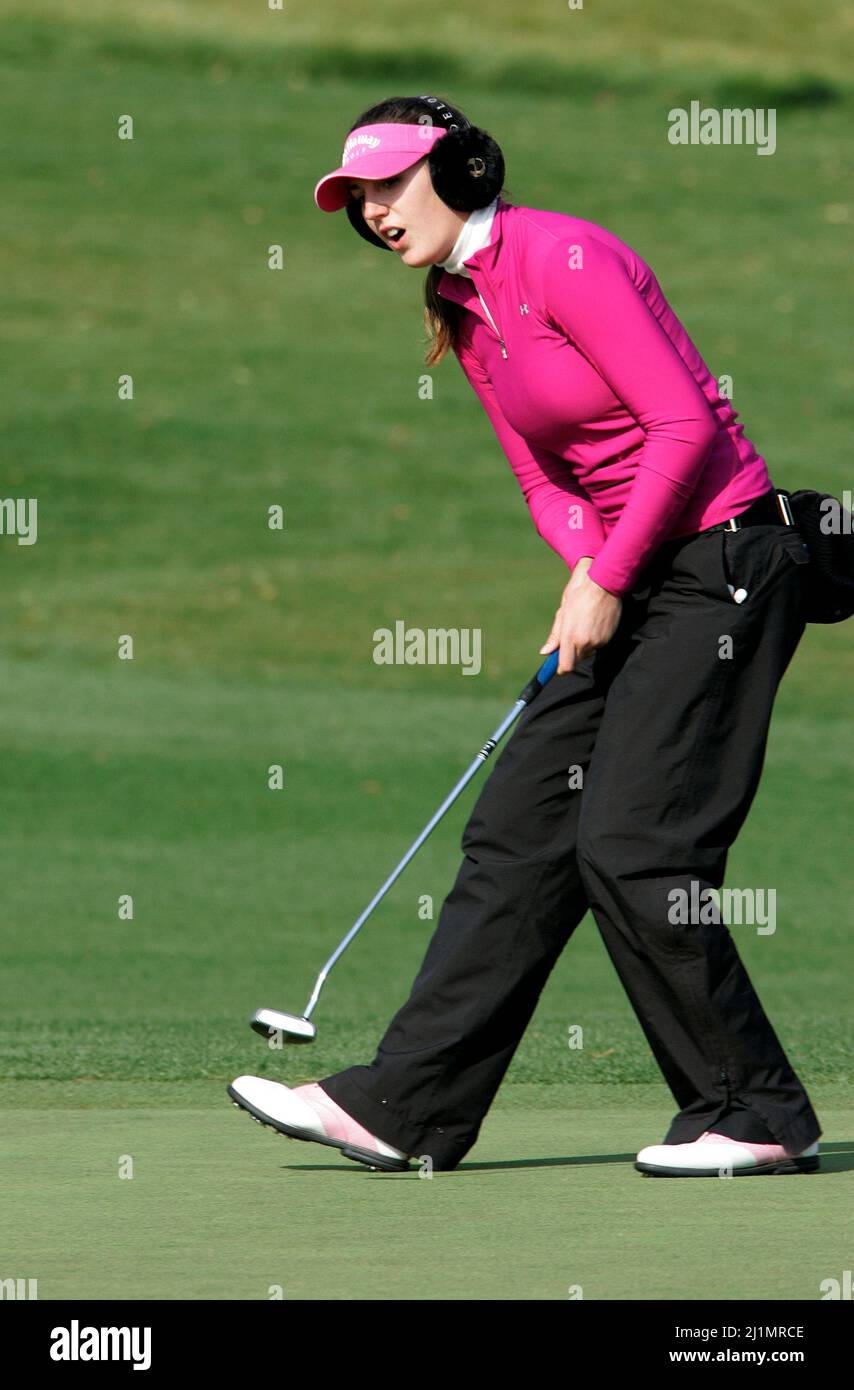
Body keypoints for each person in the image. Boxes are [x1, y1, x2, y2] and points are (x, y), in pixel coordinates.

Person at [228, 93, 821, 1178]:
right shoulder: (458, 301)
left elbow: (683, 425)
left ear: (461, 170)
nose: (371, 211)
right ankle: (405, 1107)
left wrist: (610, 572)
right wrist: (585, 571)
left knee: (635, 843)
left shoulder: (565, 257)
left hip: (724, 560)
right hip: (633, 570)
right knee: (518, 832)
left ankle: (754, 1113)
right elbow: (538, 476)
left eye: (388, 185)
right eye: (355, 196)